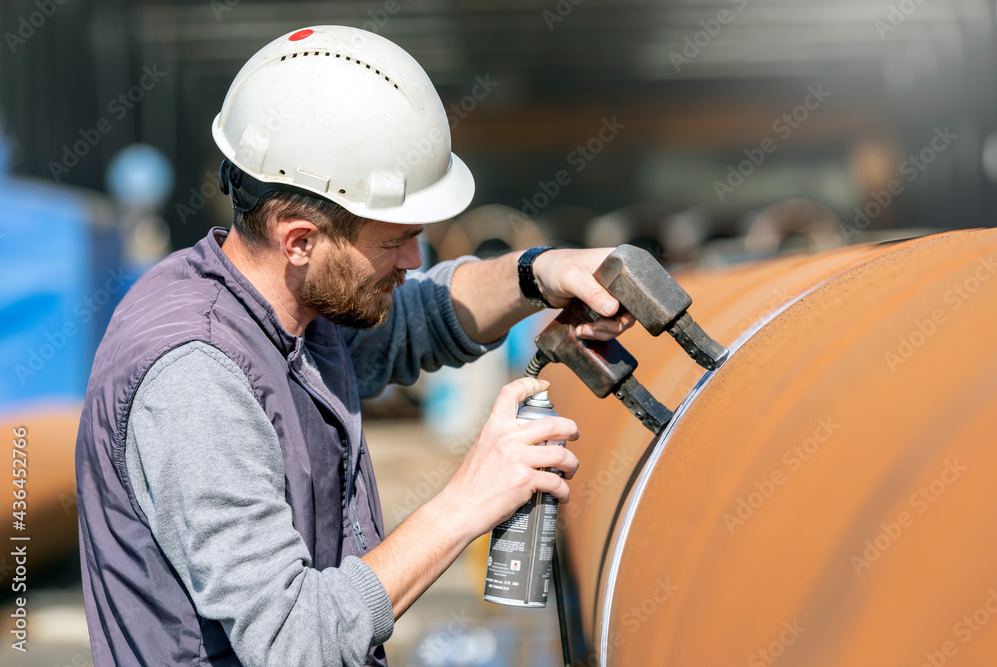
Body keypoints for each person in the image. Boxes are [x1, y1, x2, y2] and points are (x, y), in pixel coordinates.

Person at [75, 25, 634, 666]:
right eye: (394, 240)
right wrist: (470, 499)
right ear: (299, 240)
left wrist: (540, 272)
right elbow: (294, 641)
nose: (413, 257)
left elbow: (420, 317)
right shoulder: (195, 382)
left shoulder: (296, 309)